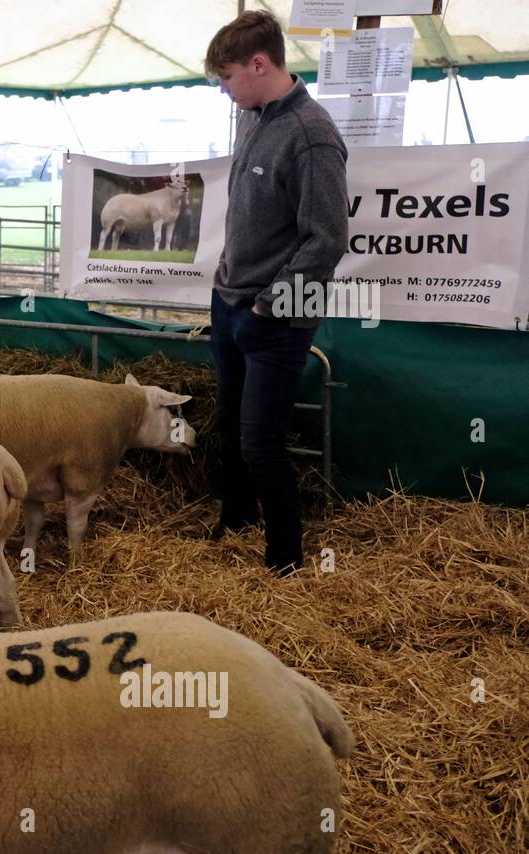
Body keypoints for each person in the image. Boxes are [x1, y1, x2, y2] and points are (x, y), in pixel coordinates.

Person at [204, 10, 349, 575]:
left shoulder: (312, 134)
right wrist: (226, 282)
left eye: (227, 77)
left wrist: (269, 304)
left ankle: (285, 559)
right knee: (233, 422)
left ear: (259, 64)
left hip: (280, 310)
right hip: (232, 299)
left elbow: (327, 239)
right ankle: (237, 520)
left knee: (261, 440)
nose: (224, 88)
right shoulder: (253, 118)